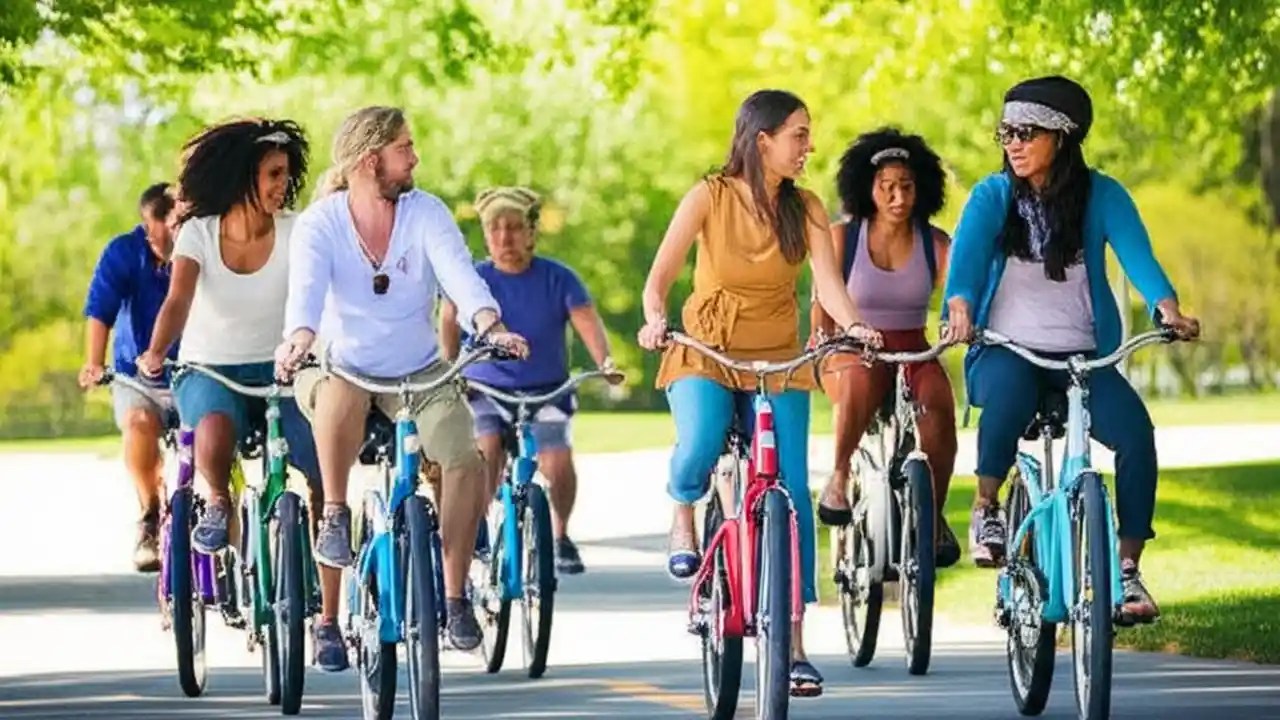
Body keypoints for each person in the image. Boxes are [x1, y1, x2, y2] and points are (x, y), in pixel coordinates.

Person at [636, 89, 881, 696]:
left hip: (779, 358)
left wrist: (854, 326)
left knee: (792, 490)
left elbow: (829, 284)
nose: (809, 146)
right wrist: (653, 318)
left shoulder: (808, 208)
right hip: (708, 350)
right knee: (698, 442)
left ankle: (794, 645)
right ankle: (684, 513)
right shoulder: (708, 196)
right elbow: (660, 278)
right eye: (799, 134)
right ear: (762, 139)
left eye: (808, 133)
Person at [941, 76, 1201, 623]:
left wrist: (1167, 306)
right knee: (1009, 393)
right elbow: (964, 257)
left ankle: (1127, 572)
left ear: (1061, 137)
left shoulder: (1103, 195)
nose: (1012, 143)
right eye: (1006, 131)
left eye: (1026, 132)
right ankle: (987, 508)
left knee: (1135, 434)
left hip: (1081, 358)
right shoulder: (995, 195)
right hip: (1006, 348)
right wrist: (960, 305)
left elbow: (1139, 259)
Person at [273, 106, 530, 652]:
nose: (415, 158)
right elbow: (308, 294)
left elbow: (459, 274)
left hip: (419, 371)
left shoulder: (425, 213)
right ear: (372, 161)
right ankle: (337, 516)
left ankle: (456, 596)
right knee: (338, 391)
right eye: (405, 148)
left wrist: (490, 324)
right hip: (341, 366)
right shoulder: (321, 224)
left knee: (462, 460)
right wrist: (298, 338)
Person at [135, 118, 340, 668]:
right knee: (215, 428)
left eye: (286, 176)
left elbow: (323, 292)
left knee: (321, 461)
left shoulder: (299, 230)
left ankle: (325, 577)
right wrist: (156, 351)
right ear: (243, 176)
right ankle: (218, 506)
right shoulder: (199, 231)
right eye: (273, 174)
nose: (283, 185)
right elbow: (177, 300)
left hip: (284, 368)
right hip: (213, 367)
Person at [439, 186, 620, 576]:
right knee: (486, 448)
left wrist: (605, 362)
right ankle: (482, 532)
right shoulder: (475, 278)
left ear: (532, 232)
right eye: (495, 229)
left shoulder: (558, 278)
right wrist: (448, 367)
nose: (505, 237)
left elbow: (586, 320)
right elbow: (449, 316)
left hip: (545, 389)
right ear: (486, 235)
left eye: (515, 228)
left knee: (556, 458)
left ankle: (560, 534)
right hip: (485, 389)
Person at [810, 128, 962, 568]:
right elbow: (822, 297)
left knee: (938, 403)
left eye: (907, 187)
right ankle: (839, 478)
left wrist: (960, 318)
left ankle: (932, 516)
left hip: (912, 348)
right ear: (867, 189)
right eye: (887, 187)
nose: (899, 197)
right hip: (849, 348)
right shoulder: (844, 239)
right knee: (858, 377)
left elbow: (958, 293)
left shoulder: (935, 245)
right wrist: (822, 337)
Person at [78, 182, 180, 573]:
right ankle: (150, 515)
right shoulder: (124, 253)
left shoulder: (200, 245)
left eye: (180, 221)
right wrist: (93, 361)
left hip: (194, 369)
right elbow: (100, 309)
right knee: (138, 425)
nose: (175, 230)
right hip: (137, 377)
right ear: (149, 223)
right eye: (168, 223)